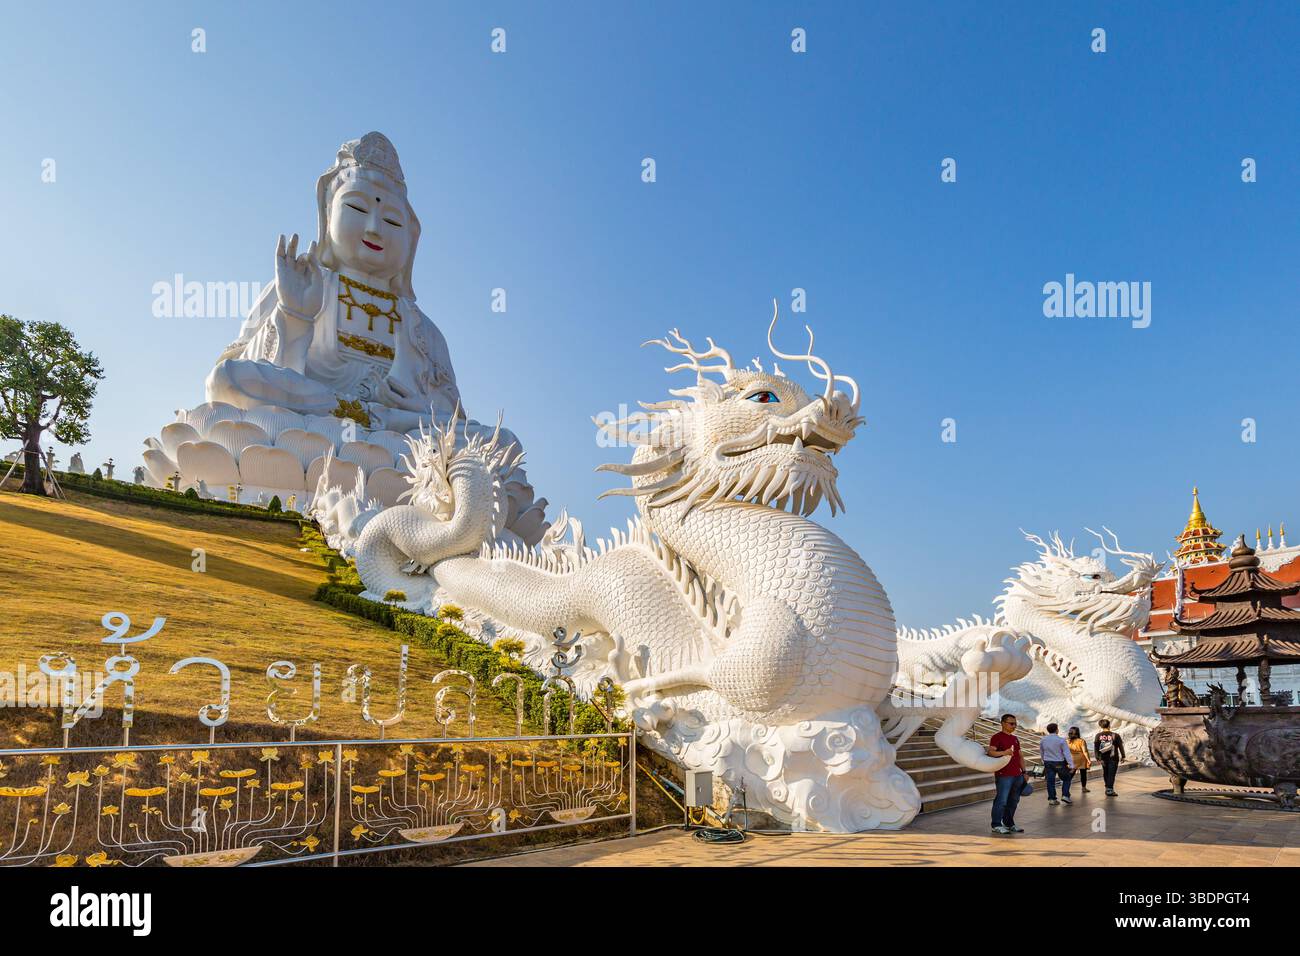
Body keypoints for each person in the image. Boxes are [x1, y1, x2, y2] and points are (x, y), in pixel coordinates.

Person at [986, 713, 1027, 835]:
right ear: (1003, 723)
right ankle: (996, 825)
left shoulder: (1015, 738)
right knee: (1001, 800)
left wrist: (1024, 772)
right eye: (1011, 723)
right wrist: (1004, 752)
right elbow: (991, 752)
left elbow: (1020, 756)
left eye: (1015, 724)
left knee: (1014, 800)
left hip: (1017, 775)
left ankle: (1009, 824)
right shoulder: (997, 737)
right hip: (1004, 775)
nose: (1014, 726)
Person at [1039, 722, 1074, 805]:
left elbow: (1041, 751)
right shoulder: (1061, 740)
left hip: (1048, 762)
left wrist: (1043, 760)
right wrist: (1071, 765)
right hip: (1059, 762)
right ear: (1056, 730)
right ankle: (1065, 795)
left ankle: (1052, 799)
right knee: (1066, 778)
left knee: (1050, 781)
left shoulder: (1043, 740)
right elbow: (1067, 753)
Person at [1093, 719, 1126, 795]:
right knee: (1111, 773)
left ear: (1100, 726)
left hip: (1103, 758)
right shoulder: (1115, 735)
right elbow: (1120, 746)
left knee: (1106, 772)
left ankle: (1107, 787)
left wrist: (1097, 758)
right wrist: (1123, 756)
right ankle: (1109, 790)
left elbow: (1096, 747)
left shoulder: (1098, 735)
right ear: (1109, 725)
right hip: (1113, 757)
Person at [1066, 726, 1092, 791]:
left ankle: (1066, 787)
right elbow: (1085, 751)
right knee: (1083, 774)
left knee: (1071, 773)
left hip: (1072, 758)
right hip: (1081, 759)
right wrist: (1089, 760)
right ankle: (1084, 788)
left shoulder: (1067, 741)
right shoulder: (1081, 741)